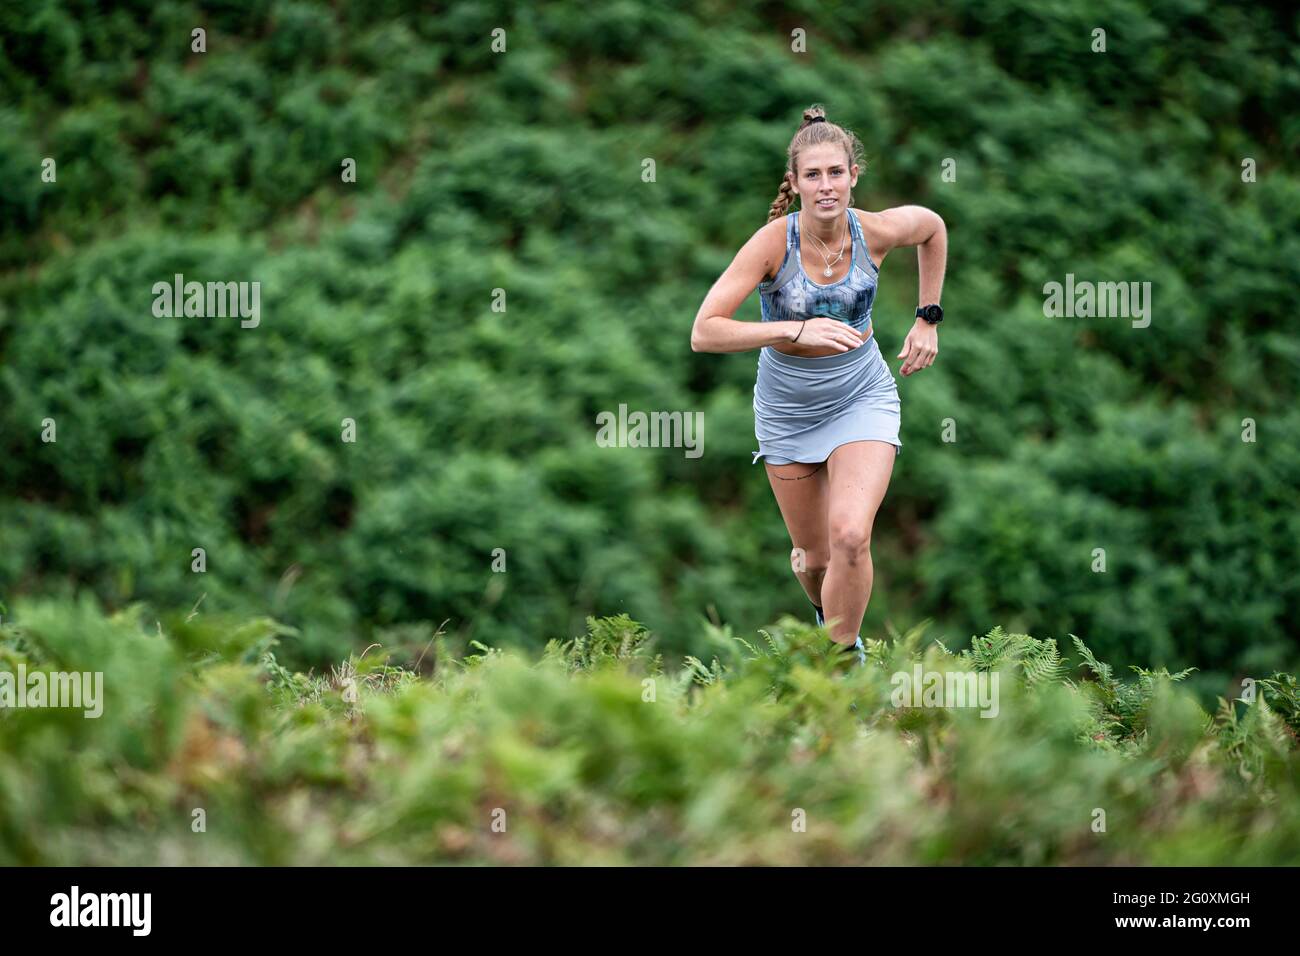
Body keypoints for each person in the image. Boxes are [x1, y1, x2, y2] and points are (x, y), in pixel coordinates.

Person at [689, 104, 947, 667]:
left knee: (852, 536)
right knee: (815, 561)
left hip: (861, 396)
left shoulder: (873, 232)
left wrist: (928, 316)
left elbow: (932, 226)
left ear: (854, 175)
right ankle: (831, 628)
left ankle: (840, 668)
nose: (826, 186)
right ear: (797, 182)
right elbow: (704, 332)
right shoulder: (771, 245)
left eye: (836, 172)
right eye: (813, 175)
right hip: (786, 410)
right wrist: (793, 328)